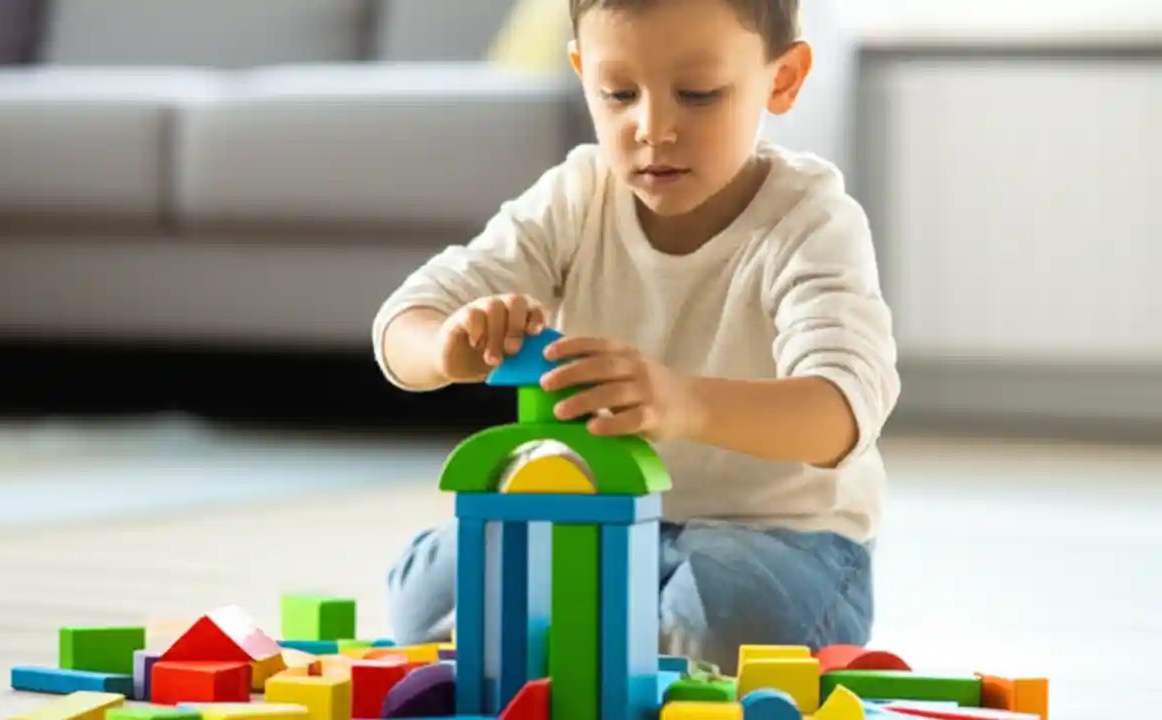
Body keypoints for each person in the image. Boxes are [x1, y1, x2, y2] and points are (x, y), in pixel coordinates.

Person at [370, 0, 899, 675]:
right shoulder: (578, 195)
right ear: (583, 73)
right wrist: (447, 345)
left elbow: (841, 411)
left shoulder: (810, 221)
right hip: (595, 521)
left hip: (776, 539)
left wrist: (685, 405)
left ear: (783, 79)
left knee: (728, 619)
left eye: (699, 94)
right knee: (426, 599)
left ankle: (604, 647)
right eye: (618, 94)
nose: (653, 128)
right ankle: (610, 642)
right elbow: (402, 321)